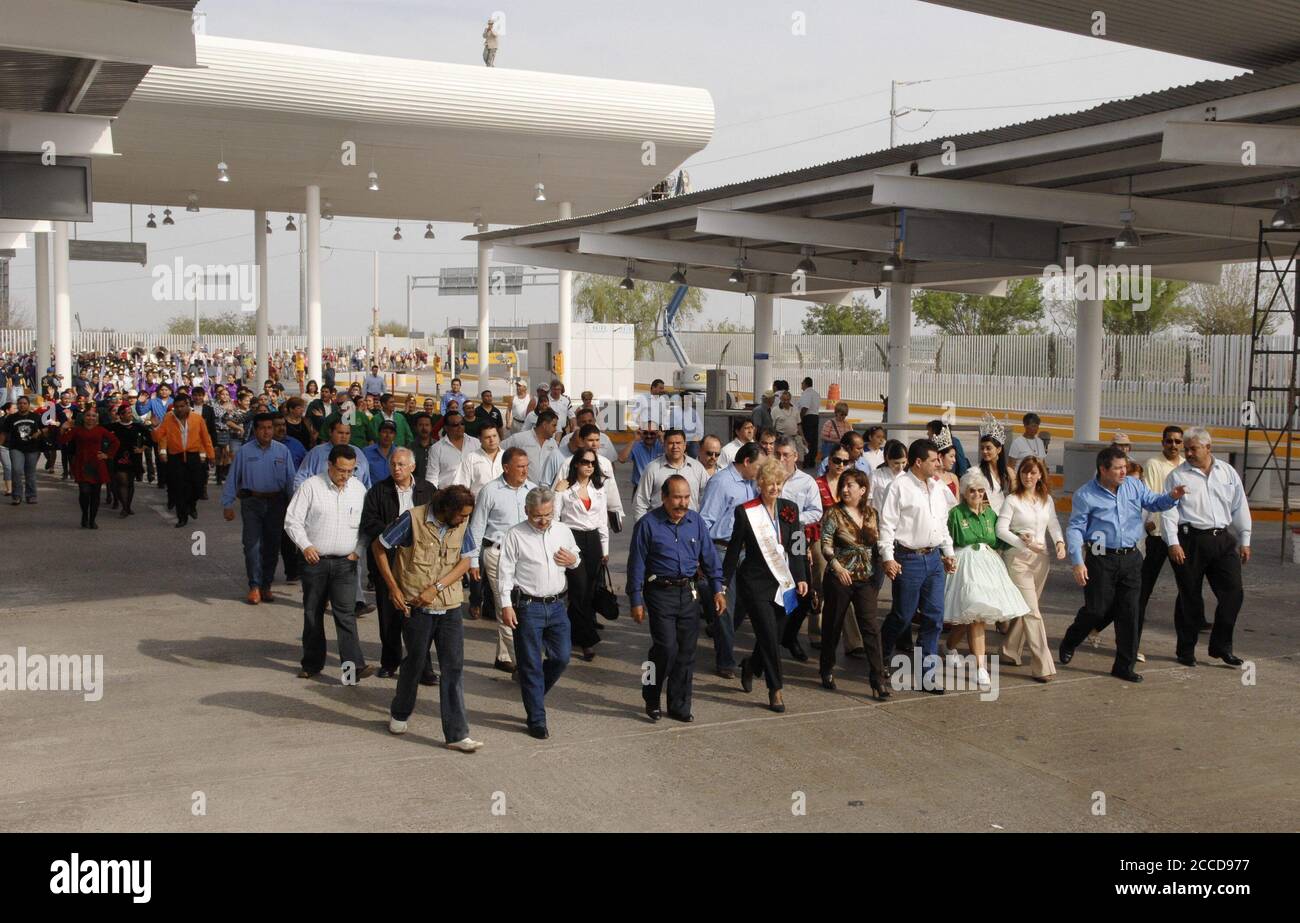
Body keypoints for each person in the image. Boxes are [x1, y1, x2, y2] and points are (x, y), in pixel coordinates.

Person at [1059, 446, 1185, 682]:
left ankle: (1124, 665)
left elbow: (1153, 502)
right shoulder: (1086, 495)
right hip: (1100, 557)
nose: (1123, 472)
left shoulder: (1134, 486)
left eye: (1124, 467)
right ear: (1103, 469)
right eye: (1117, 468)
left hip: (1130, 557)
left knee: (1129, 611)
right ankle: (1071, 639)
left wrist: (1172, 497)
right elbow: (1076, 528)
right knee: (1097, 609)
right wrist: (1077, 561)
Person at [373, 484, 482, 752]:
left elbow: (466, 560)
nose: (464, 520)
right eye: (461, 516)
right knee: (414, 663)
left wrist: (438, 587)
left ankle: (457, 734)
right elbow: (379, 547)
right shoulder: (413, 519)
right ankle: (400, 713)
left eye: (468, 515)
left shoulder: (461, 525)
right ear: (446, 510)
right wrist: (393, 587)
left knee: (453, 668)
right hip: (416, 608)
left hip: (450, 607)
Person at [627, 475, 725, 722]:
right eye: (676, 497)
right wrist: (636, 600)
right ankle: (650, 693)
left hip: (688, 593)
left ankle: (679, 705)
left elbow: (710, 558)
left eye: (686, 497)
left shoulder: (696, 522)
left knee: (686, 652)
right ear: (664, 497)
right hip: (659, 593)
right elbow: (636, 564)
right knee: (666, 648)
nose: (682, 503)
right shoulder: (648, 524)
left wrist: (717, 589)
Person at [722, 458, 810, 713]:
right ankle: (776, 689)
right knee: (769, 635)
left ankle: (751, 665)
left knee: (776, 635)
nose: (774, 488)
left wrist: (801, 576)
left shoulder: (790, 509)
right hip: (755, 582)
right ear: (760, 483)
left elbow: (797, 546)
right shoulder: (745, 511)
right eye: (770, 483)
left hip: (784, 581)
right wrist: (723, 584)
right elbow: (734, 550)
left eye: (779, 483)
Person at [1159, 427, 1251, 668]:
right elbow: (1168, 511)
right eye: (1186, 448)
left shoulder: (1227, 472)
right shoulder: (1177, 476)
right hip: (1190, 541)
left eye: (1193, 448)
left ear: (1208, 448)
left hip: (1222, 539)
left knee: (1233, 594)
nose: (1187, 452)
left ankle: (1222, 646)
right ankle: (1186, 650)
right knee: (1190, 597)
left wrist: (1245, 539)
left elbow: (1239, 506)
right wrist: (1173, 542)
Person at [284, 444, 375, 682]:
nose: (345, 475)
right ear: (330, 465)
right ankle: (312, 664)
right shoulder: (310, 487)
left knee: (345, 615)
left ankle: (353, 668)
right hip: (315, 563)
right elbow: (292, 521)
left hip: (346, 564)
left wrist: (358, 551)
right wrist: (306, 545)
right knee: (313, 613)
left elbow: (366, 525)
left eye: (350, 470)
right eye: (341, 470)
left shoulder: (358, 489)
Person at [498, 486, 582, 740]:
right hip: (528, 607)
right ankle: (536, 718)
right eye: (537, 516)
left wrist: (573, 561)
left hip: (557, 606)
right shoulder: (515, 535)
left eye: (548, 514)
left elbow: (575, 556)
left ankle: (533, 694)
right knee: (531, 664)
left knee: (562, 657)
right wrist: (505, 605)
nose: (543, 521)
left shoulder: (562, 530)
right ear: (526, 511)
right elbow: (506, 572)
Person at [877, 439, 958, 693]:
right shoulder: (899, 486)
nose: (939, 463)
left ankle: (927, 676)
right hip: (908, 560)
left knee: (934, 618)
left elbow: (942, 523)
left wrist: (948, 552)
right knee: (902, 615)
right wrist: (888, 557)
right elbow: (887, 525)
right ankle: (880, 657)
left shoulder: (937, 487)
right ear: (919, 462)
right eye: (934, 459)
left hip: (934, 560)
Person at [942, 470, 1029, 689]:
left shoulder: (990, 515)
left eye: (981, 491)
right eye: (972, 491)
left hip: (989, 565)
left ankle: (954, 648)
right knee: (973, 612)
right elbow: (947, 541)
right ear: (964, 492)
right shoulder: (955, 514)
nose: (977, 495)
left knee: (973, 615)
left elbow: (1001, 539)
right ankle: (980, 666)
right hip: (965, 564)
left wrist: (1021, 539)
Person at [362, 446, 437, 678]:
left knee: (420, 616)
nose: (397, 468)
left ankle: (423, 667)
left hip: (419, 560)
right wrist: (392, 530)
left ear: (412, 466)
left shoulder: (427, 490)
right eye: (393, 464)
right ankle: (390, 662)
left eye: (402, 464)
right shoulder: (378, 491)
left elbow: (437, 520)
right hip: (389, 557)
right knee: (389, 614)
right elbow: (369, 522)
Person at [467, 447, 537, 673]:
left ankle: (503, 656)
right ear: (506, 468)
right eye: (520, 466)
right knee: (505, 606)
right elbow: (477, 527)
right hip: (497, 554)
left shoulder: (533, 490)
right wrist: (473, 561)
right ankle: (520, 663)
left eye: (527, 466)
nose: (525, 470)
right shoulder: (490, 491)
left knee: (523, 606)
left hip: (526, 558)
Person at [819, 469, 887, 696]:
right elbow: (826, 545)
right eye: (843, 485)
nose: (845, 489)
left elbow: (877, 544)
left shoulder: (871, 513)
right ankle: (826, 668)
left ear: (863, 489)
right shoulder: (833, 513)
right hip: (840, 577)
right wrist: (837, 568)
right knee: (833, 624)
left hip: (865, 577)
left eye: (850, 485)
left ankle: (877, 679)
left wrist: (885, 565)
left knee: (870, 627)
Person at [997, 456, 1065, 682]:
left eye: (1033, 472)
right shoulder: (1012, 500)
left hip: (1041, 560)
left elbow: (1053, 523)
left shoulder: (1046, 500)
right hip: (1018, 559)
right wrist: (1022, 542)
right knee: (1032, 612)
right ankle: (1042, 665)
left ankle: (1009, 650)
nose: (1028, 476)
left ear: (1040, 475)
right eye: (1025, 472)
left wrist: (1059, 542)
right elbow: (1001, 530)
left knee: (1027, 608)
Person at [698, 441, 760, 678]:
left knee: (746, 602)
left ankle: (721, 632)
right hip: (723, 550)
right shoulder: (721, 483)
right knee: (726, 605)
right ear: (746, 462)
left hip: (747, 550)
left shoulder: (751, 484)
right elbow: (706, 520)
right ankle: (725, 659)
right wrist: (703, 557)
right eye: (758, 465)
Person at [221, 413, 294, 605]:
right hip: (252, 502)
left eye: (270, 427)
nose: (267, 431)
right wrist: (227, 504)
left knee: (272, 546)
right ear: (255, 431)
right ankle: (254, 586)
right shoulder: (245, 452)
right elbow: (232, 478)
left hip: (276, 503)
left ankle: (266, 585)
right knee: (251, 545)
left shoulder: (282, 451)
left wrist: (294, 507)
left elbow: (290, 481)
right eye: (263, 428)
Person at [809, 445, 867, 660]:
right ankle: (816, 632)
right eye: (836, 460)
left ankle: (853, 642)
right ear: (828, 461)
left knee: (847, 588)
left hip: (846, 544)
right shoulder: (817, 485)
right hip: (820, 540)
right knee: (820, 588)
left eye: (845, 461)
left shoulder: (850, 486)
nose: (841, 465)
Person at [554, 448, 609, 661]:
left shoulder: (599, 489)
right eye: (585, 462)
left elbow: (602, 522)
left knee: (590, 590)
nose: (589, 466)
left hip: (593, 540)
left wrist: (605, 550)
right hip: (572, 539)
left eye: (592, 463)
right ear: (576, 464)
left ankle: (573, 632)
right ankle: (587, 640)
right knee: (578, 589)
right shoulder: (565, 488)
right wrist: (557, 492)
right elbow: (556, 517)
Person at [773, 436, 823, 661]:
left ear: (795, 456)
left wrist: (793, 519)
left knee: (803, 592)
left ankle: (790, 636)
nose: (781, 459)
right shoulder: (767, 477)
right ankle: (770, 640)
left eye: (786, 455)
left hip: (797, 536)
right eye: (778, 454)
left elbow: (816, 511)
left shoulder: (806, 481)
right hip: (771, 538)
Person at [1138, 426, 1188, 631]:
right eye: (1169, 441)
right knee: (1143, 588)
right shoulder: (1153, 464)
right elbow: (1149, 493)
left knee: (1187, 586)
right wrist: (1149, 519)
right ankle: (1131, 628)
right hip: (1157, 534)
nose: (1173, 445)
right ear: (1163, 443)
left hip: (1179, 536)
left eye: (1177, 441)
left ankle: (1187, 632)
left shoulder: (1186, 466)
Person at [152, 393, 215, 528]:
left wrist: (211, 455)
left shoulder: (197, 419)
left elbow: (206, 438)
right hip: (176, 457)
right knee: (179, 488)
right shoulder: (168, 419)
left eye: (182, 406)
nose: (179, 409)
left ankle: (191, 505)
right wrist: (155, 427)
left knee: (198, 487)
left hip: (194, 456)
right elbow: (158, 437)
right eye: (177, 407)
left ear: (188, 405)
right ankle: (182, 517)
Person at [59, 406, 119, 529]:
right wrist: (63, 429)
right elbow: (62, 440)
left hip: (97, 464)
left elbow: (115, 442)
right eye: (88, 415)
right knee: (84, 492)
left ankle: (92, 519)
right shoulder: (77, 430)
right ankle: (84, 515)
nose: (90, 418)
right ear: (84, 417)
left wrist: (107, 455)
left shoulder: (101, 430)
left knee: (95, 494)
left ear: (96, 418)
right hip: (82, 463)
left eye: (93, 416)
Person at [295, 419, 372, 490]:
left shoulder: (358, 454)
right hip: (322, 500)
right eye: (340, 433)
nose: (344, 437)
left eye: (347, 433)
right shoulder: (316, 453)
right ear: (330, 432)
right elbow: (300, 480)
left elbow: (366, 483)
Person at [106, 402, 148, 516]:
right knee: (122, 482)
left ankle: (128, 506)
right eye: (127, 413)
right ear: (121, 415)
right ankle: (124, 507)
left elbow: (150, 437)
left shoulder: (137, 426)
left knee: (130, 483)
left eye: (131, 412)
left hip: (134, 457)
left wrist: (142, 448)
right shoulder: (114, 426)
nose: (130, 414)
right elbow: (99, 433)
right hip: (118, 456)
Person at [3, 395, 44, 505]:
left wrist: (38, 433)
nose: (22, 405)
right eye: (20, 403)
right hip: (16, 448)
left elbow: (45, 429)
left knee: (30, 472)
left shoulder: (36, 416)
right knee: (16, 470)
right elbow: (4, 433)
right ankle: (16, 496)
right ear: (17, 405)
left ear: (28, 405)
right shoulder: (11, 418)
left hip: (32, 448)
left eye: (24, 403)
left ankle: (31, 495)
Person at [426, 411, 480, 488]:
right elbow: (432, 478)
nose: (460, 427)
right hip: (448, 496)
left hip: (473, 494)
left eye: (462, 424)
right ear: (446, 428)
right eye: (455, 425)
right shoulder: (436, 449)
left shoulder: (476, 443)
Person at [502, 408, 558, 473]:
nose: (555, 429)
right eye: (554, 425)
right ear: (545, 425)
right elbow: (499, 449)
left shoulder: (553, 443)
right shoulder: (520, 438)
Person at [977, 420, 1016, 510]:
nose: (984, 451)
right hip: (986, 519)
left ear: (998, 449)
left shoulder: (1009, 472)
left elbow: (1016, 497)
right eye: (982, 448)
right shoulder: (977, 472)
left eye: (988, 448)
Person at [364, 420, 400, 484]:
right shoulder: (366, 452)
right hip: (372, 491)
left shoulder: (399, 453)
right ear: (379, 433)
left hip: (392, 492)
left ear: (395, 435)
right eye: (384, 432)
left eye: (391, 433)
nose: (387, 435)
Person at [796, 377, 821, 468]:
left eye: (802, 383)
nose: (801, 385)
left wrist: (800, 419)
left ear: (805, 384)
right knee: (814, 440)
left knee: (806, 440)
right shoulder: (816, 394)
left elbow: (805, 407)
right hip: (815, 417)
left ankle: (806, 460)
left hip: (808, 418)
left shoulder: (807, 394)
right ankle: (812, 461)